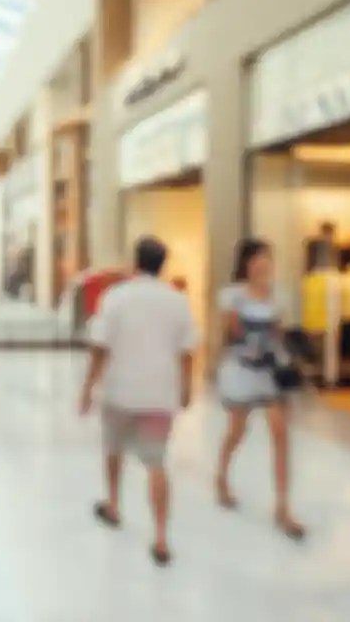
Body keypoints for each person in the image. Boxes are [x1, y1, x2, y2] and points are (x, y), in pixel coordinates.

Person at [77, 237, 196, 567]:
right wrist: (187, 387)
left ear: (135, 261)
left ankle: (114, 505)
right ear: (162, 264)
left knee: (114, 450)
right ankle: (160, 537)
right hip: (159, 395)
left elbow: (100, 346)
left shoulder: (115, 297)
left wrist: (88, 388)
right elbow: (187, 349)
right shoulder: (176, 300)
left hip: (120, 392)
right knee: (156, 463)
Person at [215, 237, 306, 542]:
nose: (263, 263)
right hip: (242, 370)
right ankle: (222, 475)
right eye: (257, 258)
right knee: (237, 431)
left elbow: (281, 335)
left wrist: (289, 356)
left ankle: (283, 506)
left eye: (267, 257)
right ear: (246, 263)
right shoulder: (232, 296)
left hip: (270, 373)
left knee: (280, 435)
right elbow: (230, 335)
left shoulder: (279, 296)